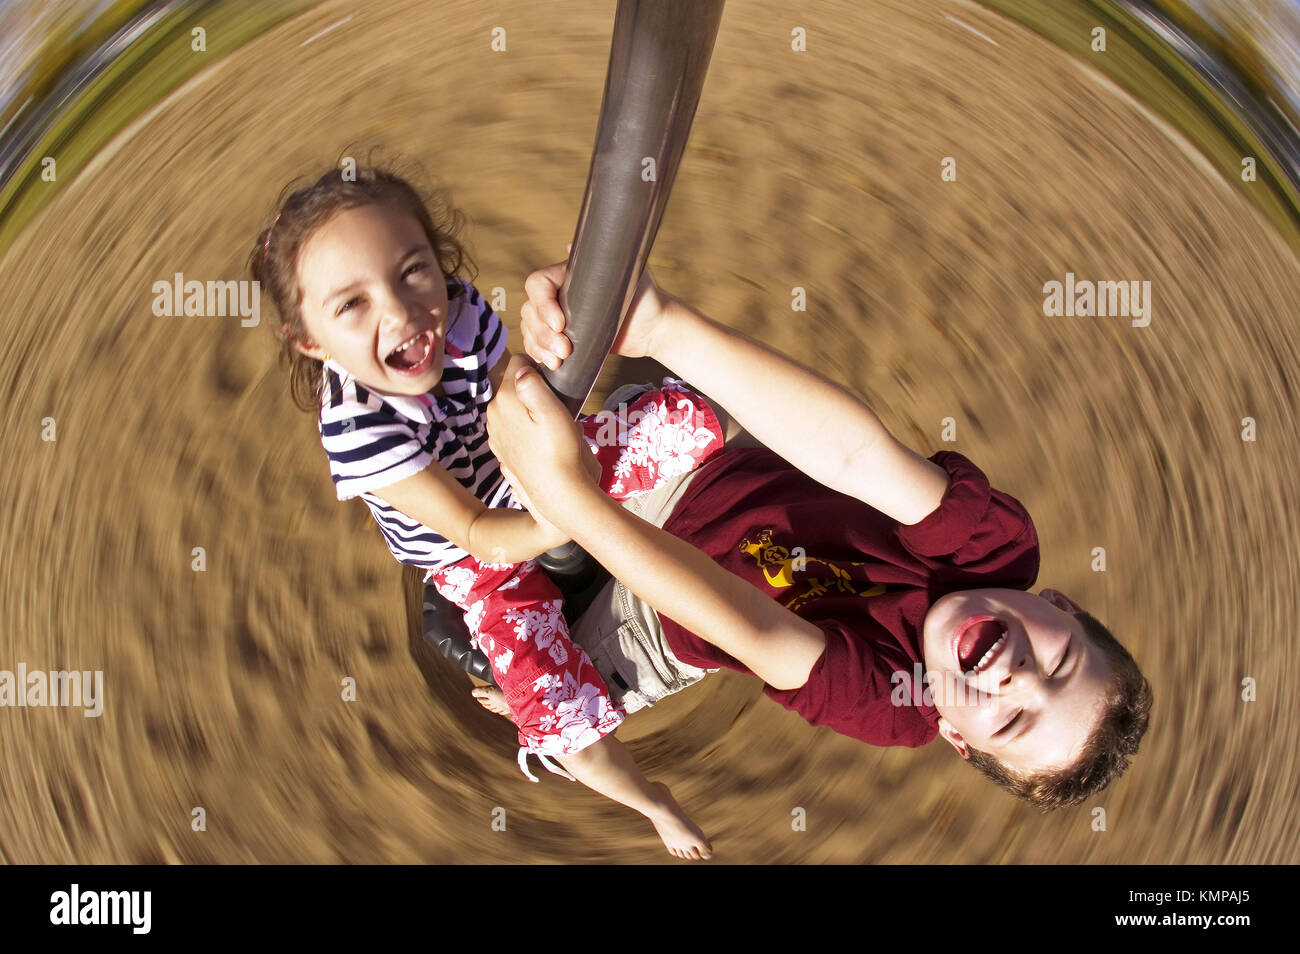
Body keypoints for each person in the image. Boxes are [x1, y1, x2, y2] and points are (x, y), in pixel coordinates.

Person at [483, 253, 1153, 812]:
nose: (1019, 679)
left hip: (666, 620)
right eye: (1060, 663)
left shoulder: (895, 706)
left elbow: (748, 626)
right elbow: (857, 456)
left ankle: (539, 699)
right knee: (534, 435)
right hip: (709, 476)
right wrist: (661, 324)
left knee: (559, 700)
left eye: (1010, 721)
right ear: (1063, 606)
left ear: (954, 734)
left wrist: (567, 497)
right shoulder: (994, 550)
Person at [249, 165, 720, 859]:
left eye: (413, 272)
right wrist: (567, 512)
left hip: (527, 467)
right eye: (352, 305)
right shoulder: (359, 429)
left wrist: (554, 438)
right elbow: (474, 531)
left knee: (697, 418)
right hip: (474, 557)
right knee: (562, 727)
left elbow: (511, 385)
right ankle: (655, 805)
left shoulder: (459, 309)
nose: (402, 312)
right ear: (309, 341)